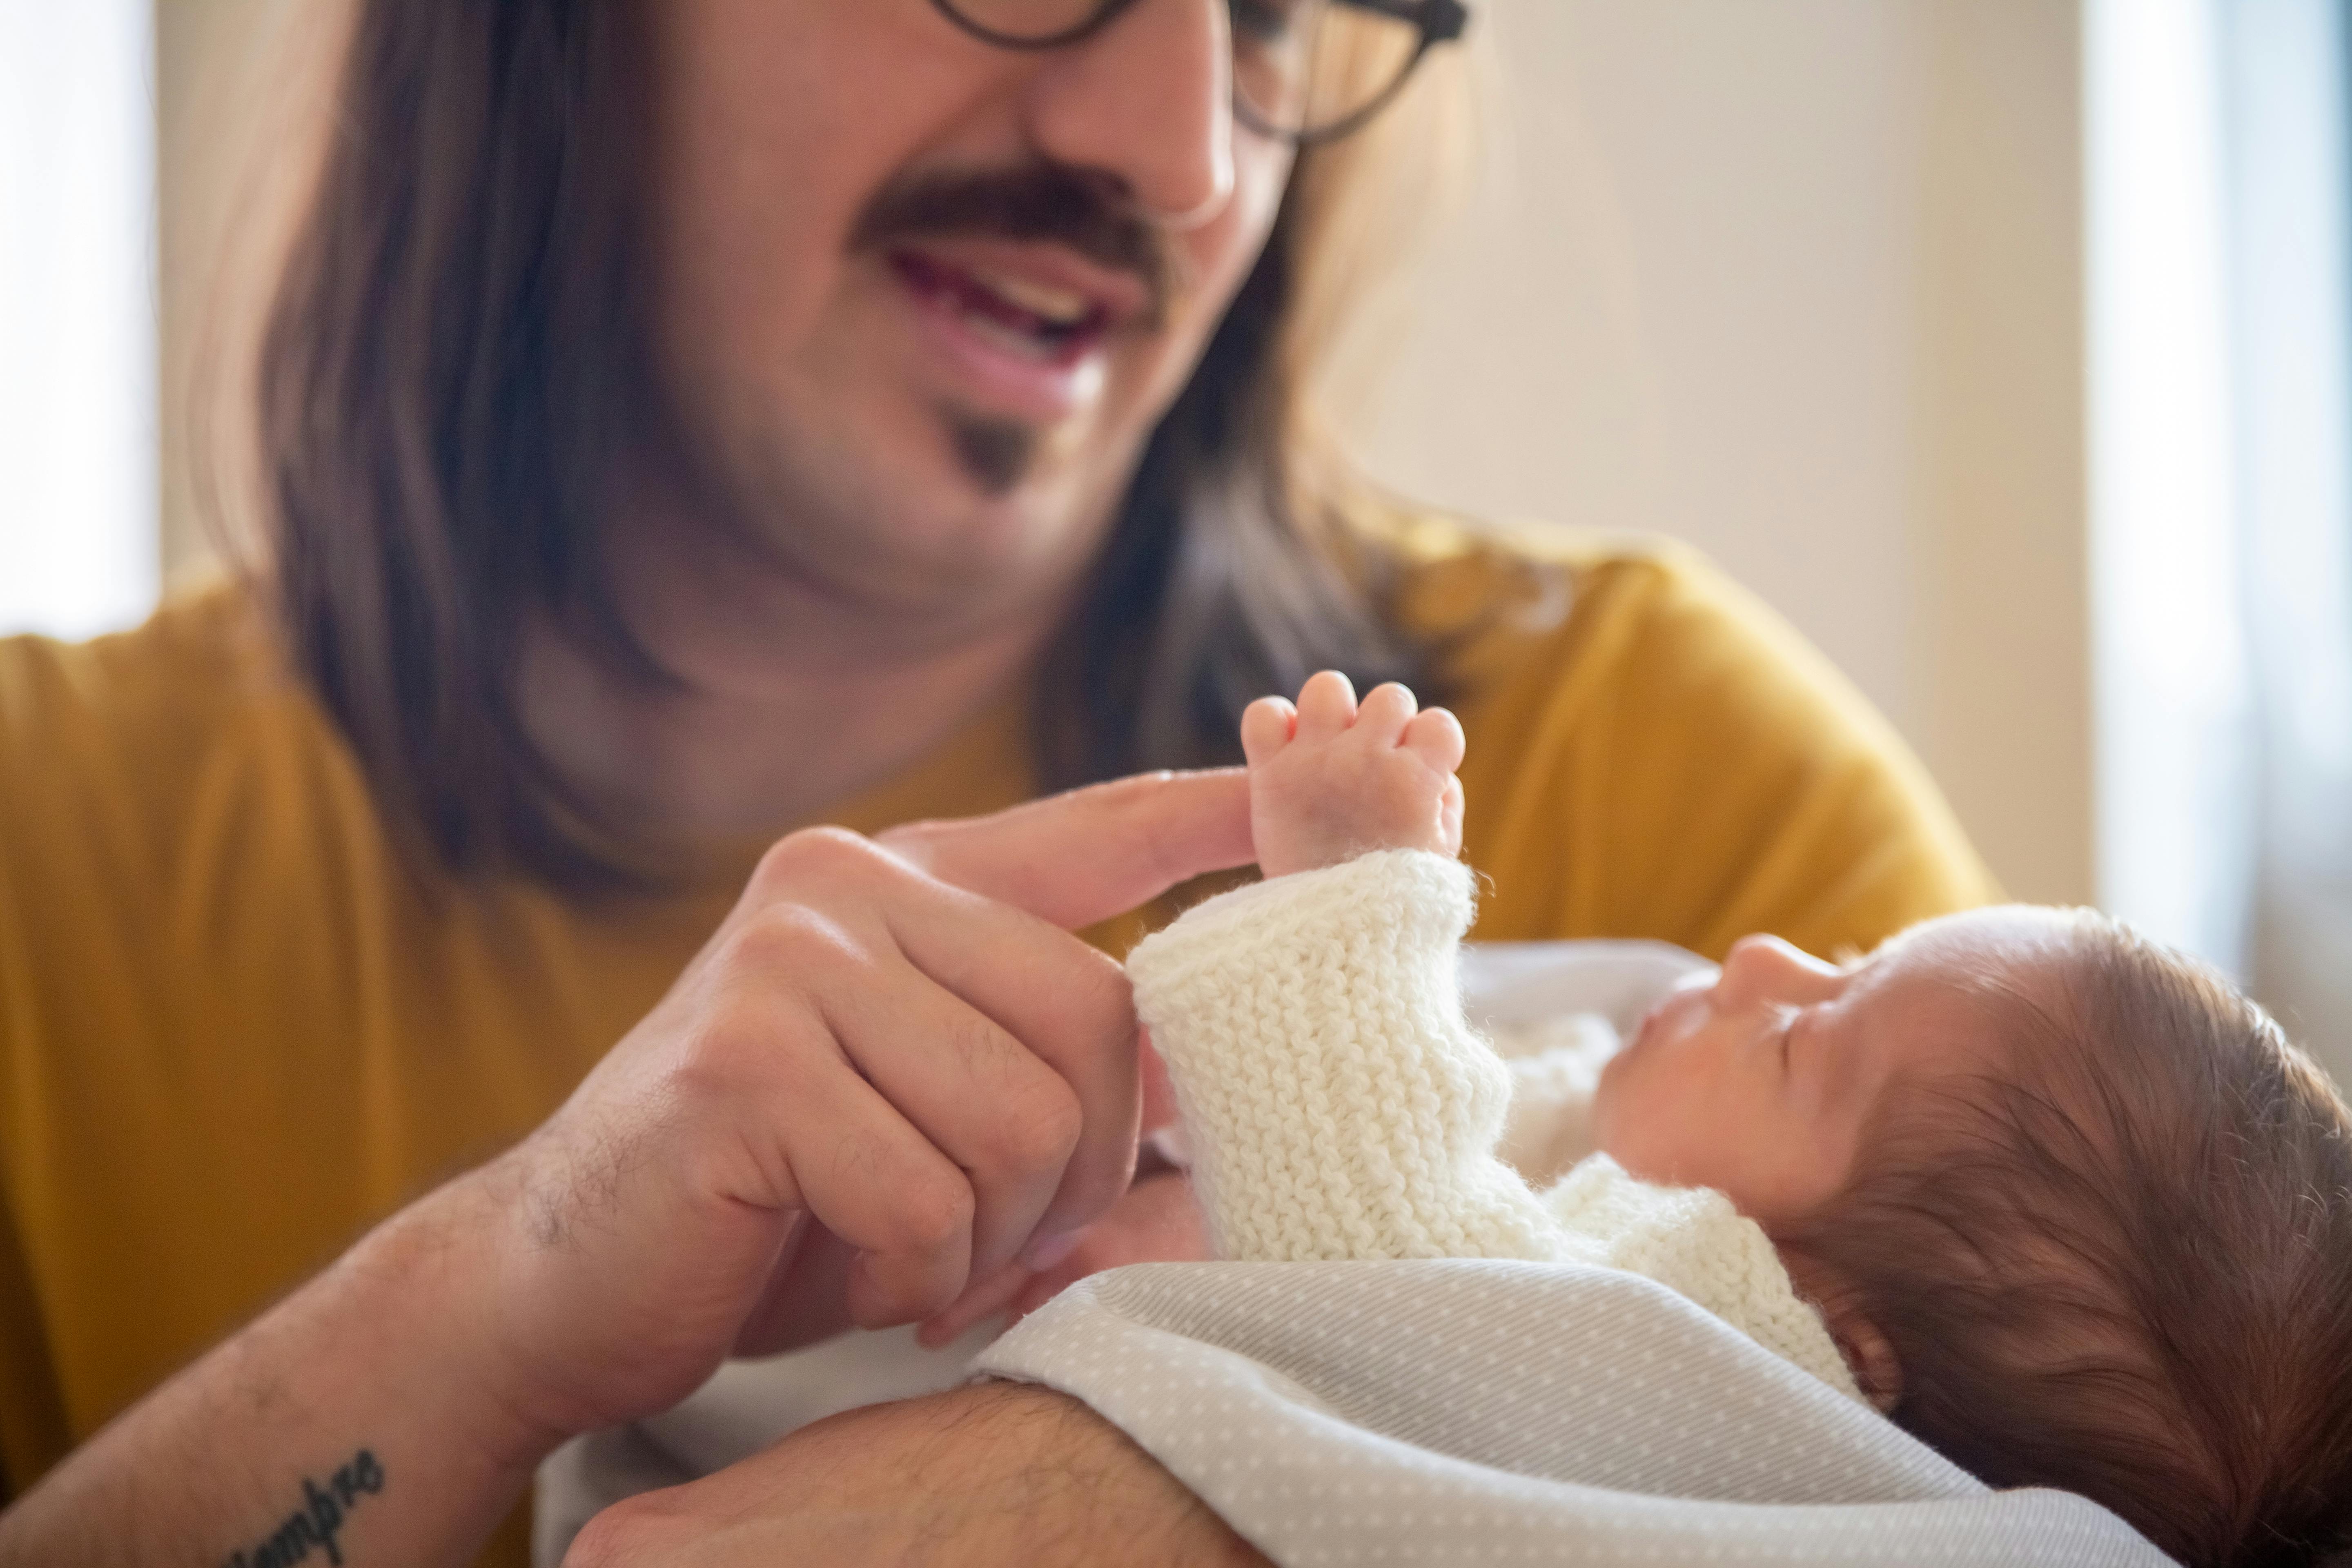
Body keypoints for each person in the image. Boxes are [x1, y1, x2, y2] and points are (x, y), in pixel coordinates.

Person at [0, 2, 1999, 1564]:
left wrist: (1249, 1512)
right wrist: (487, 1299)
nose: (1178, 147)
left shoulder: (1704, 815)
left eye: (1280, 9)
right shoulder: (47, 848)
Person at [1123, 672, 2352, 1568]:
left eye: (1799, 1041)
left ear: (1816, 1336)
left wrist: (1352, 909)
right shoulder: (1653, 1153)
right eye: (1852, 958)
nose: (1763, 956)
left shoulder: (1697, 1388)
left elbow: (1398, 1291)